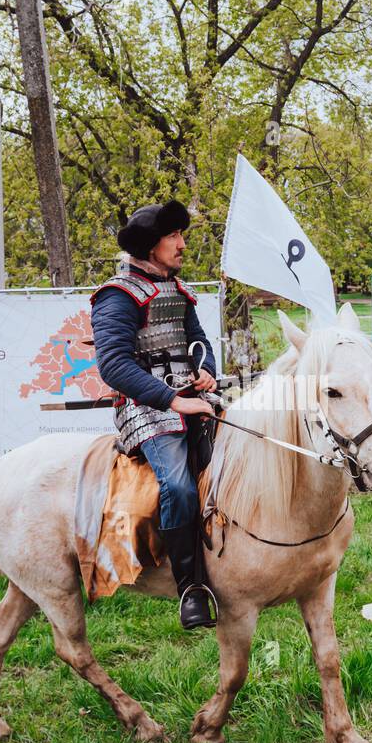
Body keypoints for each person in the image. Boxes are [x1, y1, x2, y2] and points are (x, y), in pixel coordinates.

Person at [90, 200, 220, 630]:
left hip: (193, 401)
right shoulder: (117, 295)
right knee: (180, 486)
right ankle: (191, 589)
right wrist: (171, 400)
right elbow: (113, 365)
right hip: (146, 411)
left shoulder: (177, 289)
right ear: (151, 245)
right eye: (174, 237)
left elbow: (199, 340)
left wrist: (205, 371)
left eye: (182, 235)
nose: (182, 244)